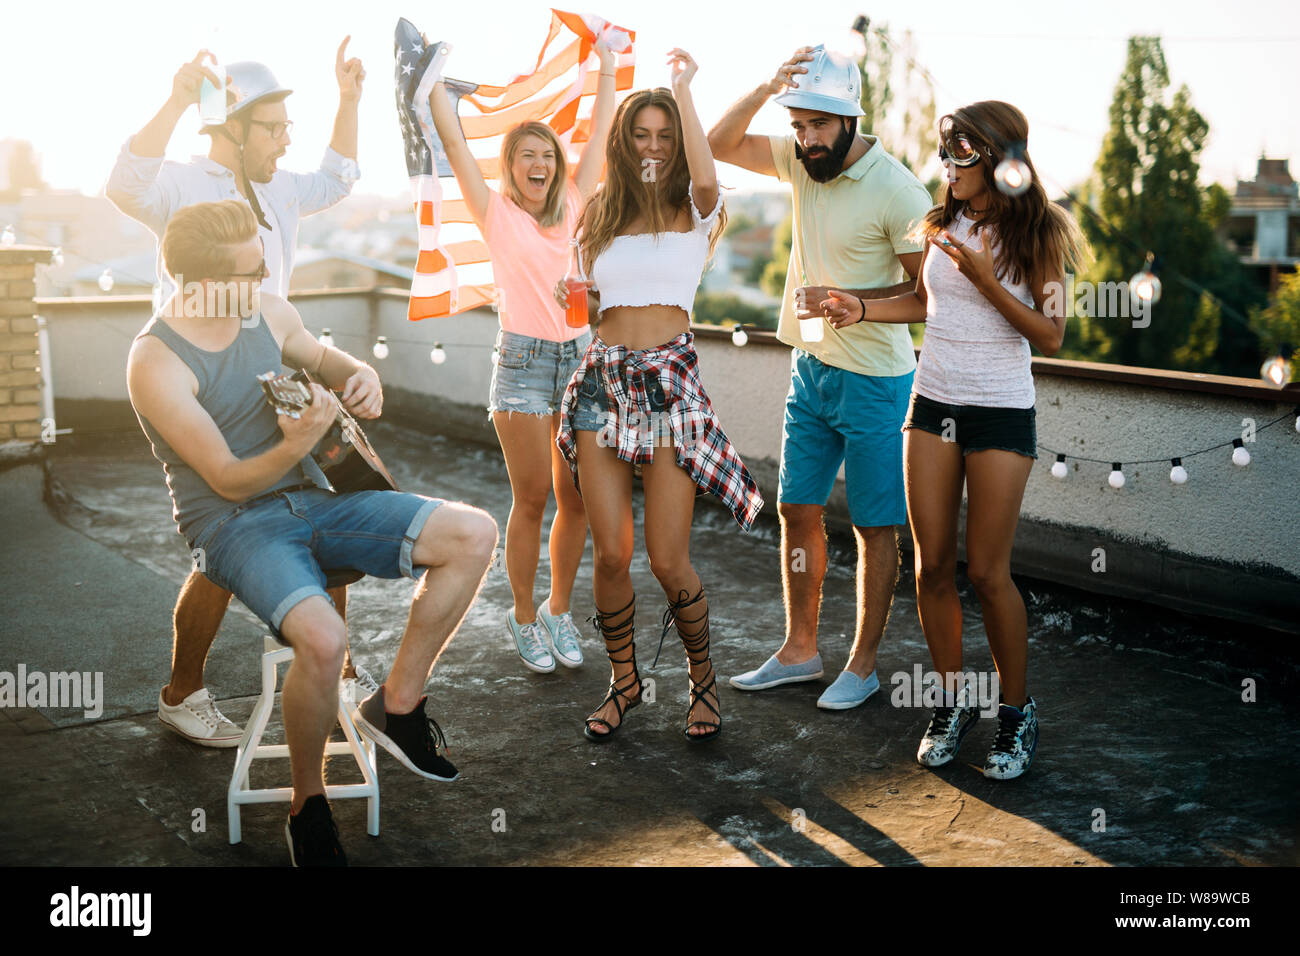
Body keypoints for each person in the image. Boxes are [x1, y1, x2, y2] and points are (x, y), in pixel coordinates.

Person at [127, 201, 497, 864]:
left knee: (473, 533)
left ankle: (398, 706)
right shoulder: (156, 361)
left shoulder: (267, 309)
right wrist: (297, 437)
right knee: (326, 639)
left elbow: (327, 359)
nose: (265, 277)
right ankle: (309, 805)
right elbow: (229, 480)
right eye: (249, 270)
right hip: (236, 523)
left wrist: (362, 376)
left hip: (314, 497)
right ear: (199, 282)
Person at [106, 43, 367, 746]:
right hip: (206, 379)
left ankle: (336, 672)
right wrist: (174, 98)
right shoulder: (180, 184)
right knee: (225, 543)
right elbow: (125, 187)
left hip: (276, 365)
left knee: (326, 505)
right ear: (232, 127)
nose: (287, 140)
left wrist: (348, 97)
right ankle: (181, 693)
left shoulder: (281, 186)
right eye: (275, 127)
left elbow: (339, 178)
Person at [821, 102, 1087, 779]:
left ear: (999, 157)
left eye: (961, 154)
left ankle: (1017, 712)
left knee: (986, 572)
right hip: (931, 400)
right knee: (931, 565)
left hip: (999, 412)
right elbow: (923, 302)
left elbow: (1050, 334)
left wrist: (989, 281)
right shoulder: (944, 224)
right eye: (946, 153)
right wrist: (861, 307)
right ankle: (952, 700)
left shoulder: (1041, 232)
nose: (947, 167)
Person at [709, 46, 931, 710]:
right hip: (809, 367)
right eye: (798, 124)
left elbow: (929, 296)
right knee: (796, 508)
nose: (805, 140)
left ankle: (861, 666)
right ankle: (800, 652)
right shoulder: (801, 162)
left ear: (849, 118)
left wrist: (857, 303)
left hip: (875, 380)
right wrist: (764, 86)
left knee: (873, 524)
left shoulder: (899, 189)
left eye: (817, 126)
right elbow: (720, 143)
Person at [554, 51, 764, 743]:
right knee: (610, 554)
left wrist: (682, 92)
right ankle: (625, 683)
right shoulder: (598, 217)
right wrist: (574, 300)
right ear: (624, 142)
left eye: (663, 135)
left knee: (667, 558)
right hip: (601, 383)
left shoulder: (697, 210)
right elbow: (593, 314)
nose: (652, 146)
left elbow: (708, 175)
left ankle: (702, 683)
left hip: (670, 385)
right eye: (640, 134)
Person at [424, 34, 618, 674]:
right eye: (525, 156)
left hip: (581, 358)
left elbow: (600, 138)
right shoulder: (495, 212)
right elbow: (453, 144)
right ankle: (525, 616)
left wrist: (609, 63)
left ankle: (561, 611)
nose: (538, 164)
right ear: (510, 168)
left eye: (546, 155)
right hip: (524, 366)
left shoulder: (573, 205)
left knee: (580, 498)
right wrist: (433, 87)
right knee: (532, 495)